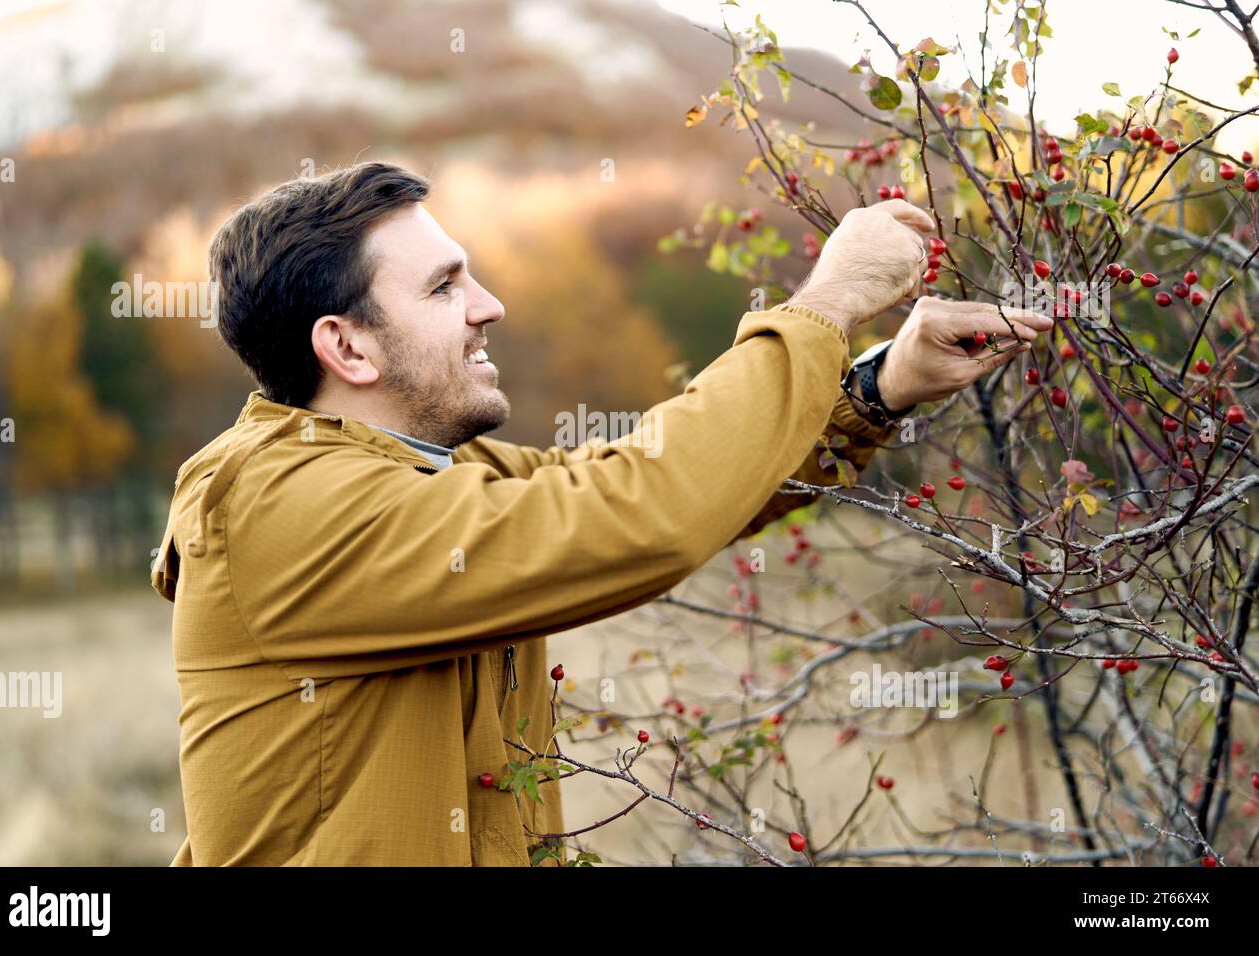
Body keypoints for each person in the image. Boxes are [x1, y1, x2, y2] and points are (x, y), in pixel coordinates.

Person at [151, 162, 1052, 865]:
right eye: (443, 289)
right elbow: (643, 514)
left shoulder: (427, 478)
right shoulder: (279, 504)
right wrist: (826, 305)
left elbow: (656, 480)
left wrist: (875, 389)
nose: (488, 307)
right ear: (344, 345)